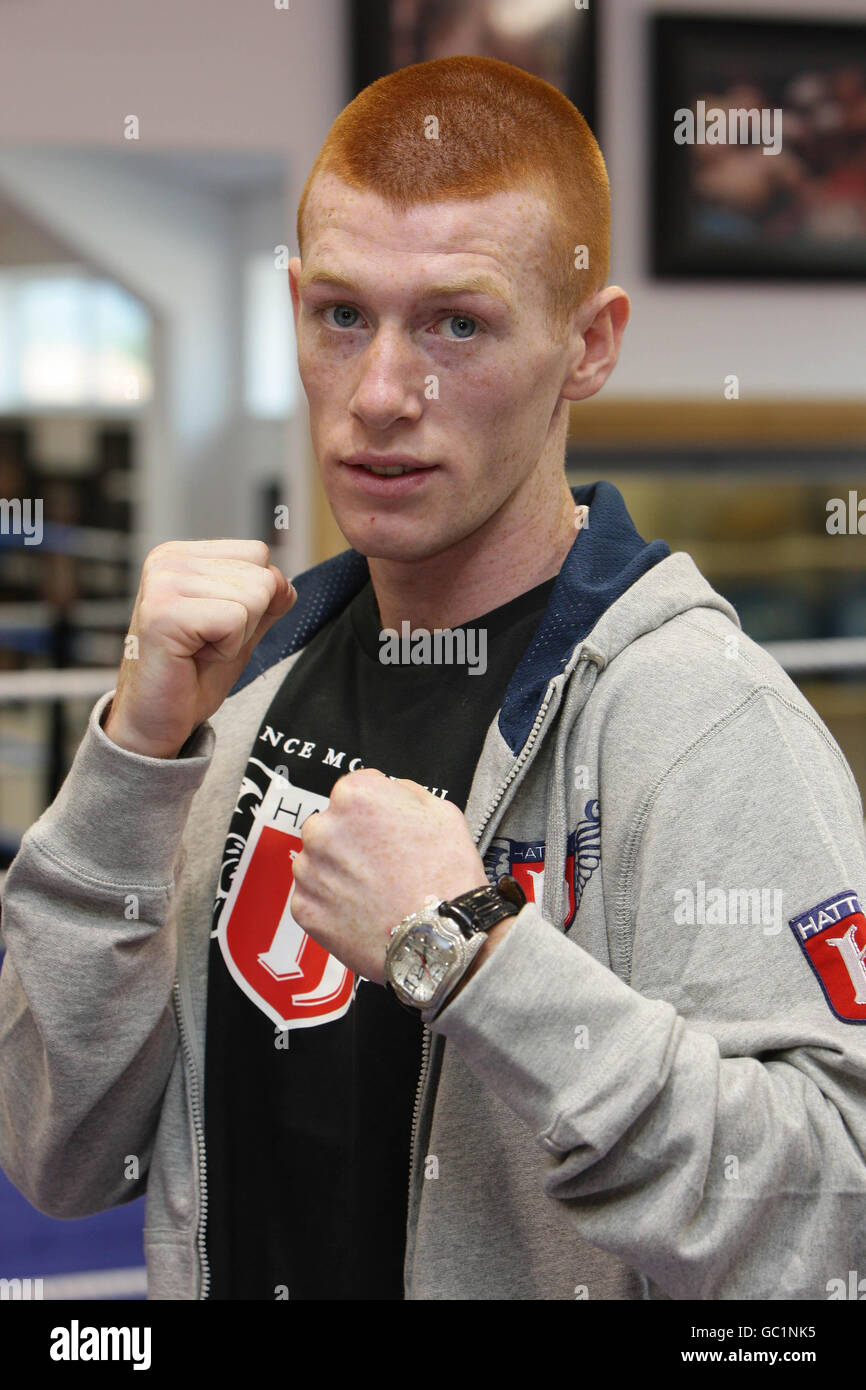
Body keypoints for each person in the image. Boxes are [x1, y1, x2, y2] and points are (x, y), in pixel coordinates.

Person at [1, 55, 865, 1302]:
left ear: (589, 345)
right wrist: (131, 761)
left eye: (456, 324)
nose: (381, 396)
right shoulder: (245, 699)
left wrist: (467, 956)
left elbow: (831, 1224)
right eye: (340, 316)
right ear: (291, 305)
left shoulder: (695, 719)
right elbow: (57, 1152)